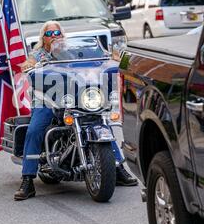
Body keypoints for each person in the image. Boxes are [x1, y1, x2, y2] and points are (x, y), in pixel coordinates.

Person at [14, 21, 136, 201]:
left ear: (62, 35)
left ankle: (117, 168)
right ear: (43, 38)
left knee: (100, 121)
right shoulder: (39, 54)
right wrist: (30, 67)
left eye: (57, 32)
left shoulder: (72, 51)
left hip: (76, 97)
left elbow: (99, 60)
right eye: (49, 33)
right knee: (34, 130)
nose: (54, 36)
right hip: (47, 99)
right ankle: (27, 180)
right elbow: (27, 65)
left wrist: (115, 59)